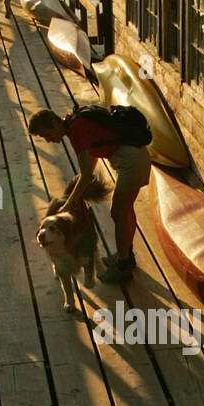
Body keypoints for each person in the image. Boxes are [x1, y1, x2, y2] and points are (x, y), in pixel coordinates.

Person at [28, 107, 151, 281]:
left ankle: (123, 267)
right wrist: (81, 182)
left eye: (46, 134)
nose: (48, 140)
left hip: (131, 163)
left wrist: (69, 203)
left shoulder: (76, 130)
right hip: (134, 157)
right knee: (125, 210)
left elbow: (86, 175)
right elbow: (92, 157)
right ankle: (126, 255)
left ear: (55, 123)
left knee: (119, 212)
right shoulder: (75, 122)